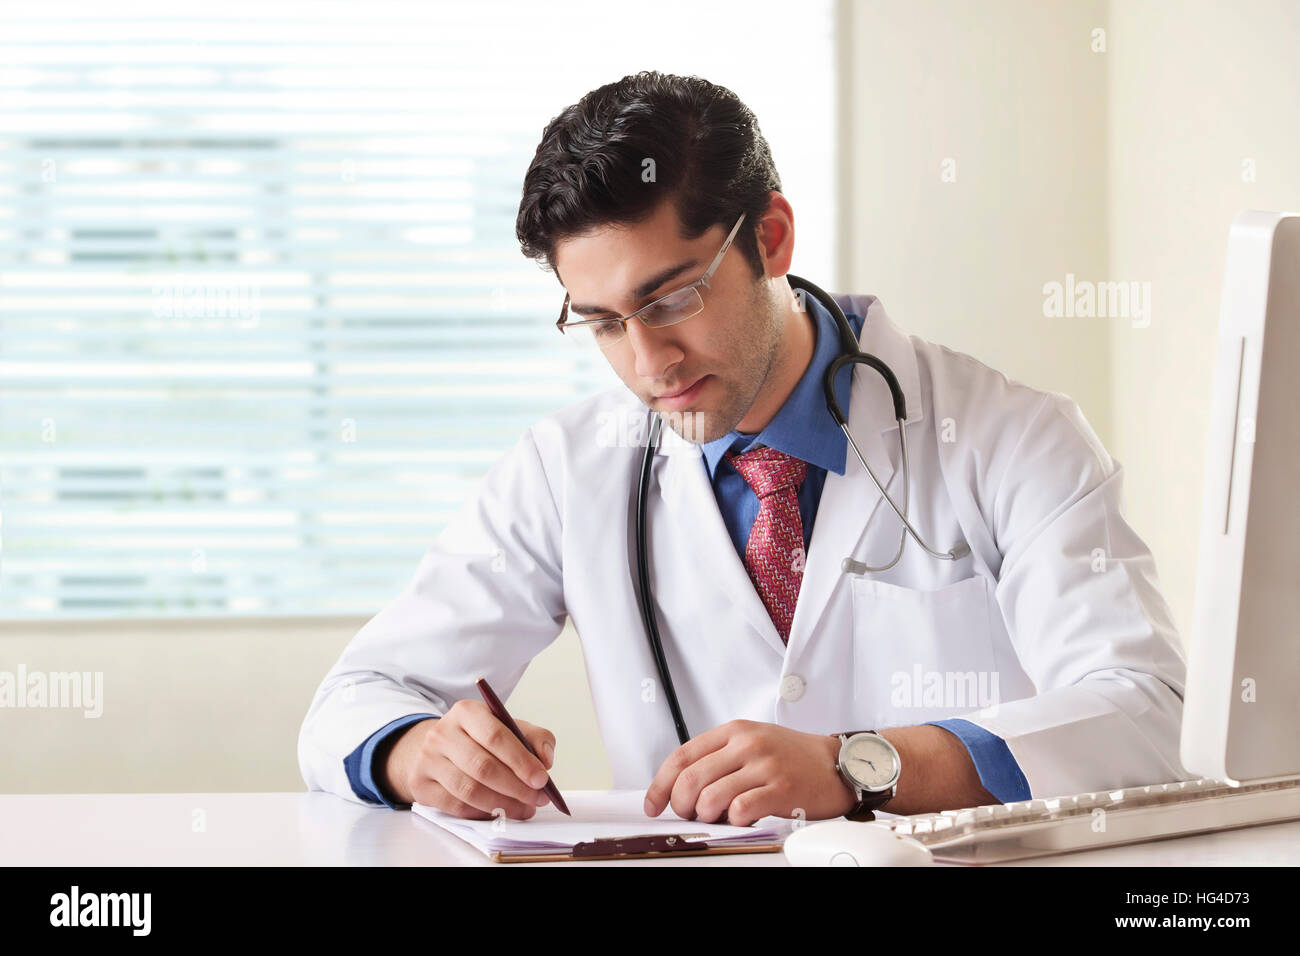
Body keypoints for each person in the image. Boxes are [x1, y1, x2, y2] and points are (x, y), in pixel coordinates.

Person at [298, 71, 1188, 827]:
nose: (648, 365)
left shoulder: (1008, 437)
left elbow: (1145, 718)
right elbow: (356, 696)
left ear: (769, 237)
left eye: (670, 299)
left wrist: (861, 767)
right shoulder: (567, 470)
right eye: (604, 323)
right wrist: (418, 754)